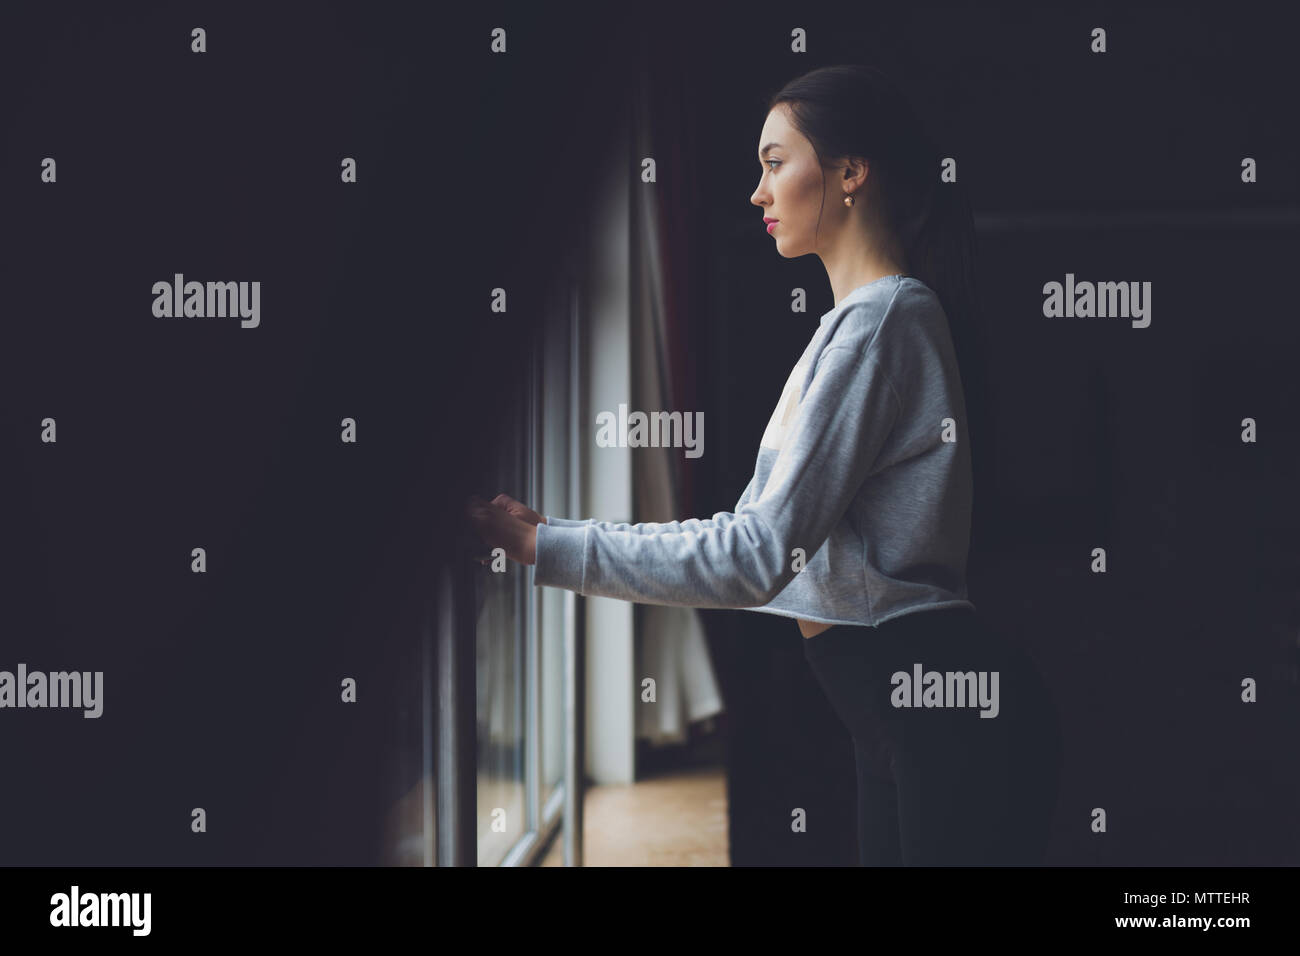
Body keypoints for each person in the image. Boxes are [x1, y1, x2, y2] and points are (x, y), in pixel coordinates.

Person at [465, 64, 1062, 866]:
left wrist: (551, 547)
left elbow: (753, 559)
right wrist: (559, 534)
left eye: (776, 162)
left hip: (932, 700)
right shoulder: (852, 330)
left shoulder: (880, 325)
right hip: (897, 707)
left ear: (852, 173)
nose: (757, 191)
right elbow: (747, 538)